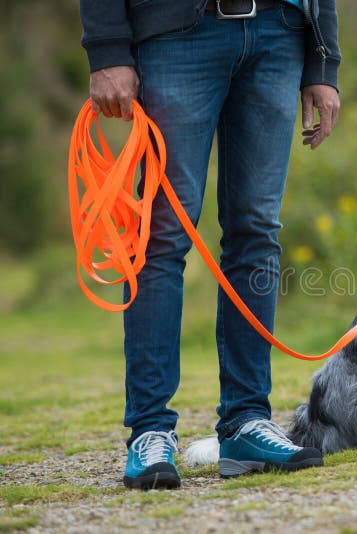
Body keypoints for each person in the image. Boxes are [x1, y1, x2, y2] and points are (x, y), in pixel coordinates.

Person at [79, 0, 341, 489]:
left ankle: (245, 422)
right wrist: (107, 49)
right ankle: (150, 430)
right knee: (160, 234)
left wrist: (324, 61)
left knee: (258, 232)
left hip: (278, 30)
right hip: (176, 34)